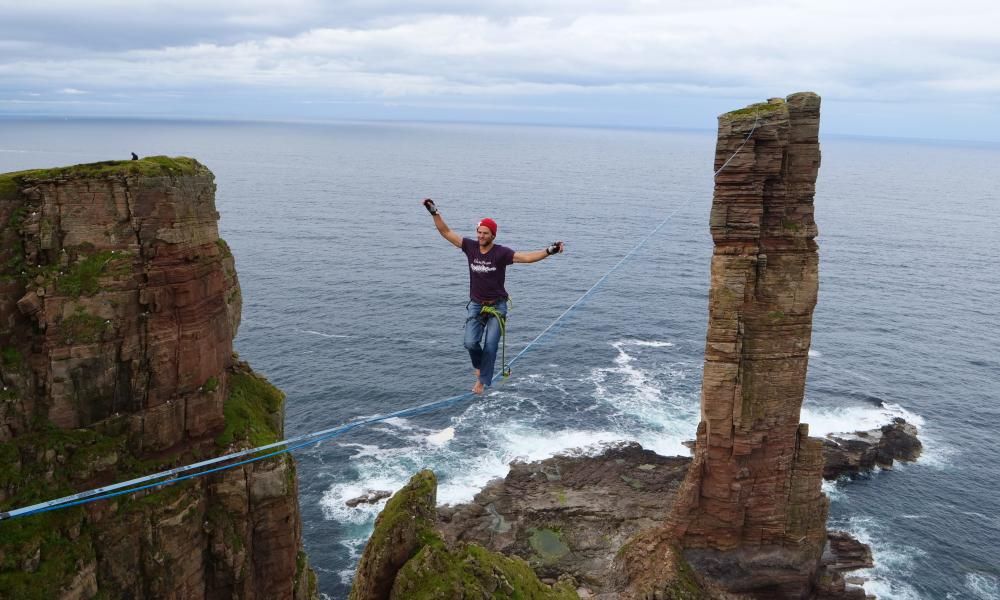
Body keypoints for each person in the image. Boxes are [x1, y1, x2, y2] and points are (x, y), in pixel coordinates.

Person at [423, 198, 564, 394]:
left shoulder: (501, 253)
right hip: (476, 305)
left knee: (490, 345)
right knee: (470, 342)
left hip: (497, 306)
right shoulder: (470, 247)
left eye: (485, 233)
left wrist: (550, 251)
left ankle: (481, 381)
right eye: (479, 232)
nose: (480, 236)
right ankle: (481, 367)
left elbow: (527, 258)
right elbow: (445, 232)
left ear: (493, 235)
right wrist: (434, 212)